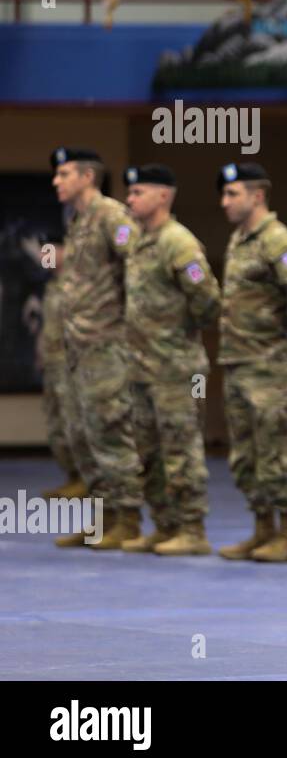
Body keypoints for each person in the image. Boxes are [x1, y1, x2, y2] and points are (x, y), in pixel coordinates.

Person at [119, 164, 221, 555]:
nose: (130, 199)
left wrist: (182, 333)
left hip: (176, 367)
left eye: (138, 192)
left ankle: (192, 529)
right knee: (149, 451)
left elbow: (208, 299)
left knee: (181, 449)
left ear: (163, 196)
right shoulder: (140, 242)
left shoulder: (178, 242)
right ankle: (164, 525)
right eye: (130, 193)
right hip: (141, 366)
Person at [49, 147, 144, 550]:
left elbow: (137, 265)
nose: (57, 180)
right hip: (77, 346)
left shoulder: (111, 216)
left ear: (88, 177)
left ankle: (128, 520)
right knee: (83, 435)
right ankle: (103, 518)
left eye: (65, 173)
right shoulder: (79, 223)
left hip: (106, 345)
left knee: (110, 433)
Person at [216, 162, 287, 562]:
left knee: (274, 450)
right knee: (246, 453)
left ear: (257, 195)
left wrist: (278, 324)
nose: (224, 202)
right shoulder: (239, 239)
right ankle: (262, 529)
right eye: (223, 195)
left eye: (232, 194)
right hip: (238, 359)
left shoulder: (277, 240)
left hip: (269, 361)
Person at [37, 243, 88, 501]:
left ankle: (84, 477)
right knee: (55, 423)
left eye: (51, 250)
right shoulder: (51, 286)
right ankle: (71, 476)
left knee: (73, 422)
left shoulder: (78, 283)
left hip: (71, 363)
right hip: (52, 362)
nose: (45, 255)